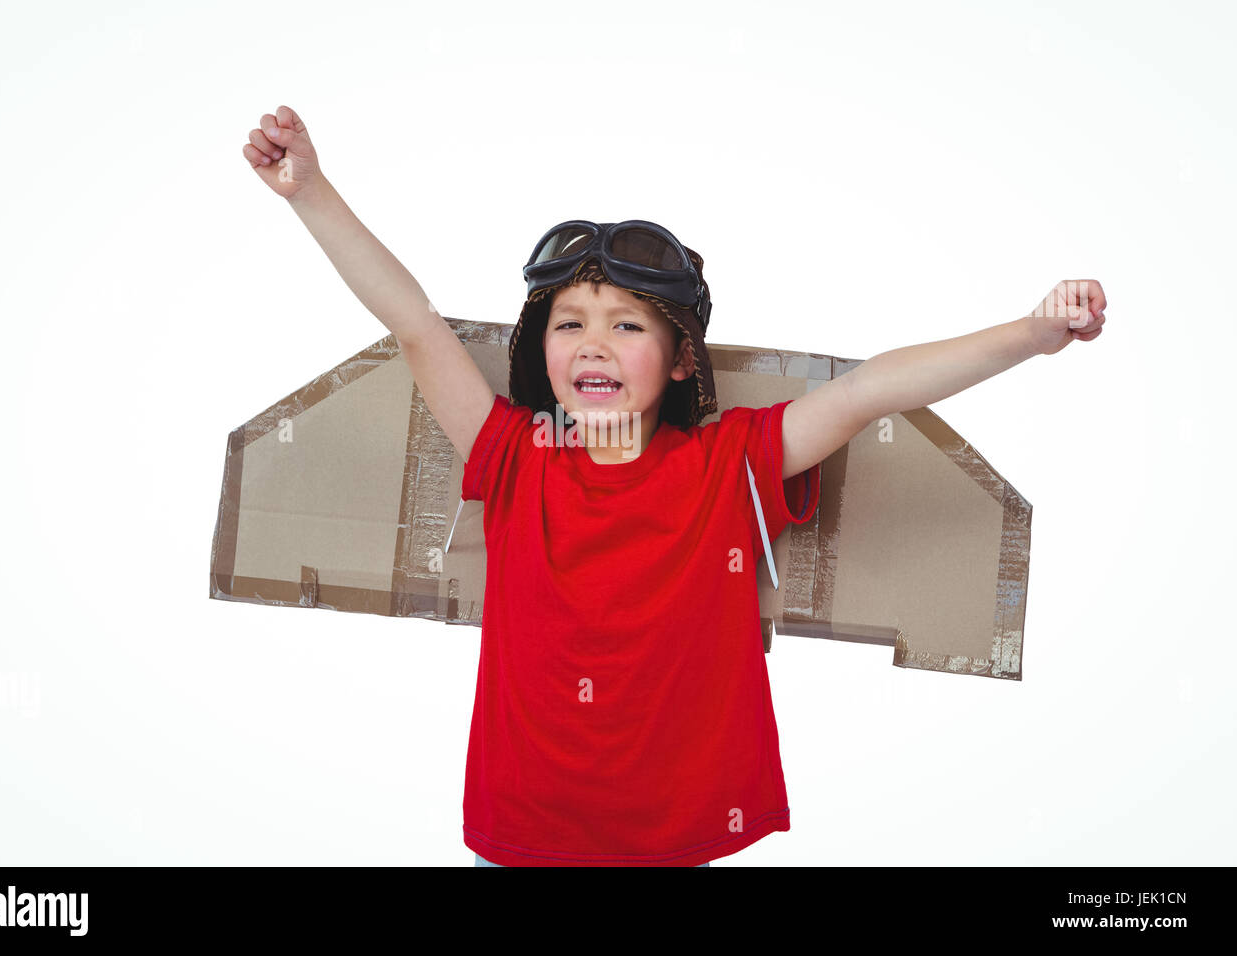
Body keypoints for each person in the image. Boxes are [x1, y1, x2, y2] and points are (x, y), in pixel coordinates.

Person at [242, 105, 1107, 867]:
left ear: (681, 357)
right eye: (569, 324)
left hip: (673, 843)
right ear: (540, 351)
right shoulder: (512, 452)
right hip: (519, 839)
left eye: (627, 326)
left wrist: (1033, 333)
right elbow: (412, 319)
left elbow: (871, 390)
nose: (593, 344)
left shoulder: (728, 465)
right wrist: (309, 190)